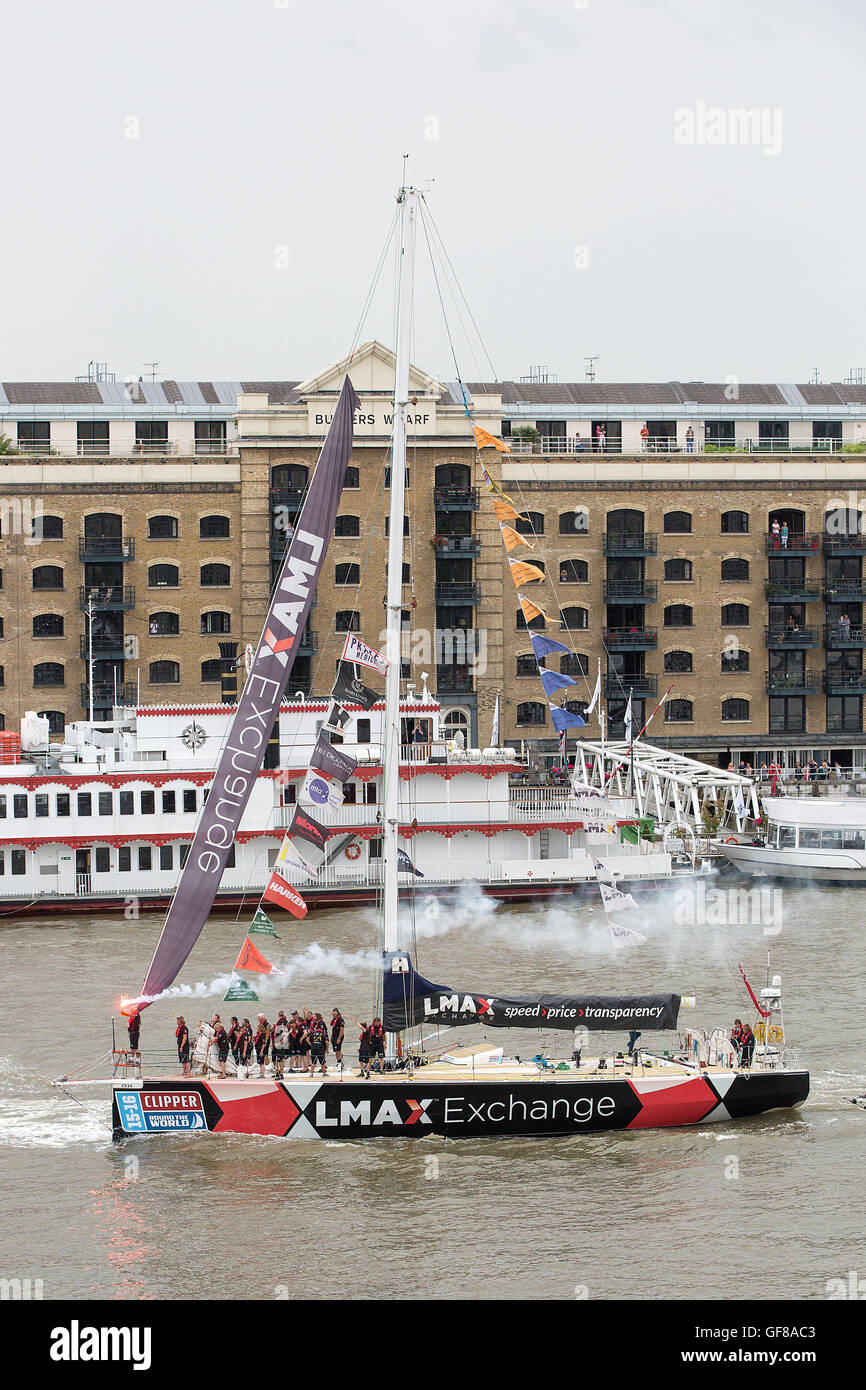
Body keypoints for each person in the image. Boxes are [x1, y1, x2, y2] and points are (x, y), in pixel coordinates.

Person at [272, 1010, 290, 1079]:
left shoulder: (282, 1022)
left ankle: (281, 1074)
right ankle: (278, 1073)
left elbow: (285, 1035)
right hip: (278, 1043)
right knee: (277, 1059)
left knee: (280, 1059)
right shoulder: (282, 1022)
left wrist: (279, 1043)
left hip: (281, 1044)